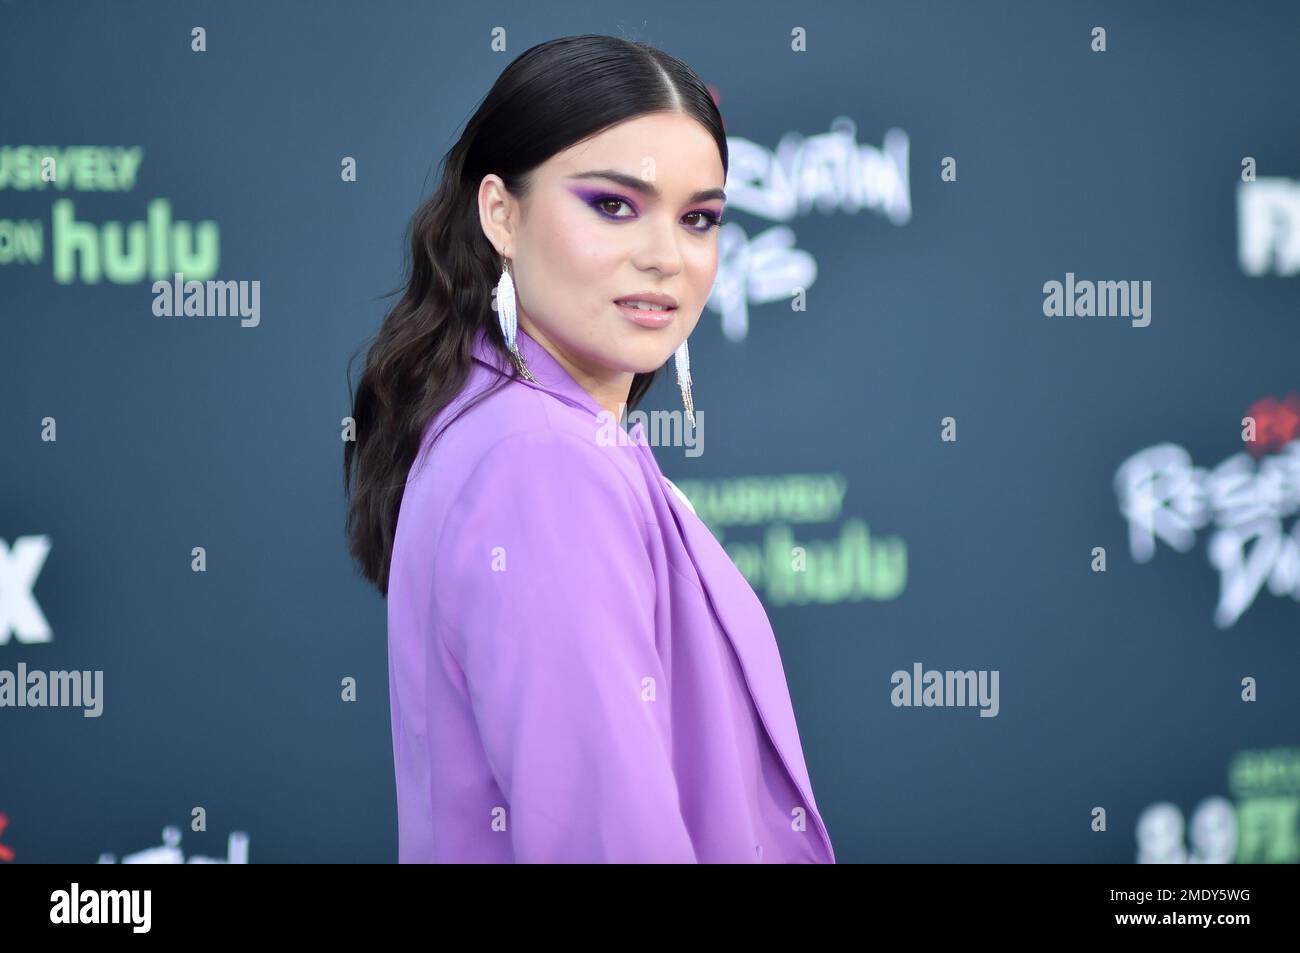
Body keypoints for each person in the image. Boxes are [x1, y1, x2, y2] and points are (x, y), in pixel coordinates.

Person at [344, 34, 835, 863]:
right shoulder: (542, 463)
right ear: (500, 211)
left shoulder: (510, 425)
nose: (664, 256)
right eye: (613, 204)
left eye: (699, 219)